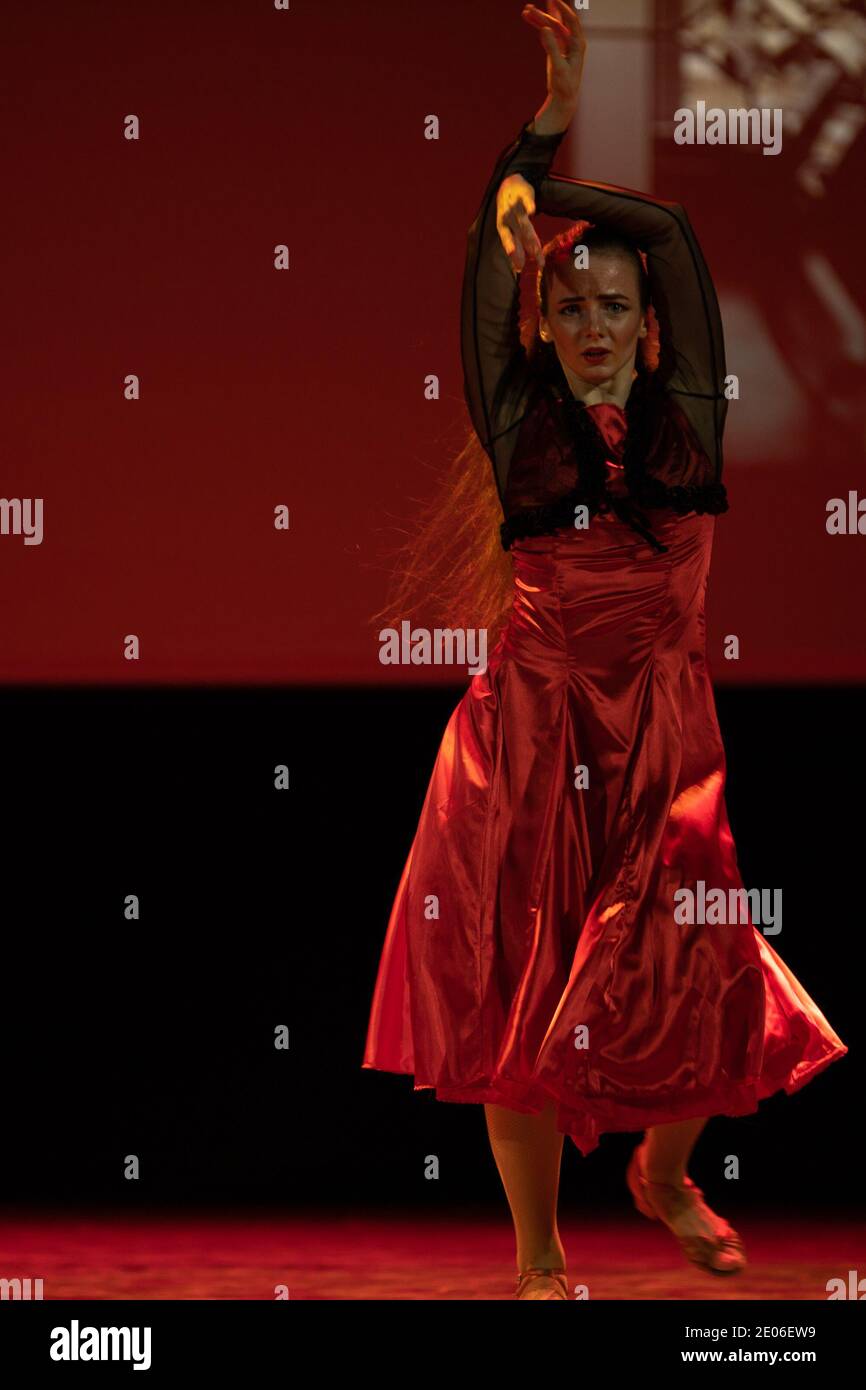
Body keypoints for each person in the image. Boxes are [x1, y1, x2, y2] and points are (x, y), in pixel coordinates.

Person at [362, 0, 847, 1300]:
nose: (585, 323)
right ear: (545, 328)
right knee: (524, 998)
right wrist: (525, 151)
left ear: (646, 330)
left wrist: (555, 184)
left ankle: (660, 1172)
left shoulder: (685, 425)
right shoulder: (521, 425)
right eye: (564, 305)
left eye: (609, 305)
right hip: (530, 730)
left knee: (708, 976)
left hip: (663, 738)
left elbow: (675, 237)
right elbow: (488, 277)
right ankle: (537, 1253)